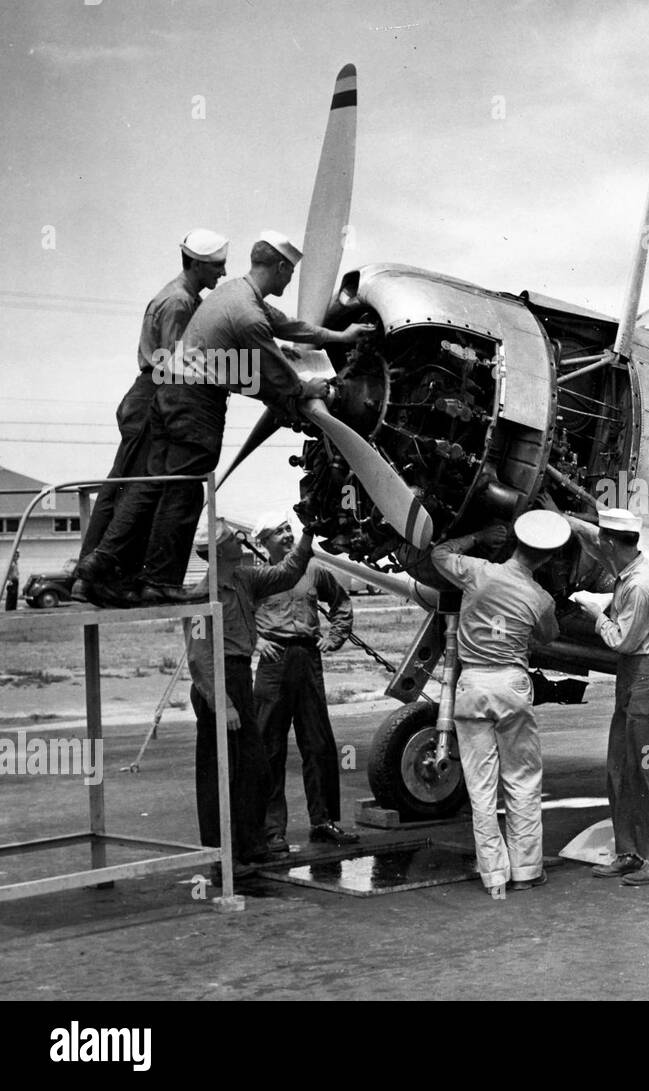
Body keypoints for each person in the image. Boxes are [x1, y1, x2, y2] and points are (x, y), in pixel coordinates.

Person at [119, 231, 374, 605]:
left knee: (155, 487)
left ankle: (109, 570)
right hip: (192, 402)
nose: (291, 281)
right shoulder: (248, 314)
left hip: (172, 395)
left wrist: (340, 335)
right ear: (281, 267)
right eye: (290, 274)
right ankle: (158, 580)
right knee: (183, 493)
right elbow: (277, 374)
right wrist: (308, 390)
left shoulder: (235, 294)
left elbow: (290, 327)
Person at [73, 230, 229, 607]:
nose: (222, 273)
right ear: (195, 264)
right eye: (216, 265)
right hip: (156, 394)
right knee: (137, 488)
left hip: (151, 392)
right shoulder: (179, 302)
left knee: (129, 486)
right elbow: (180, 364)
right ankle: (94, 574)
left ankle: (95, 575)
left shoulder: (181, 296)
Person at [430, 511, 571, 898]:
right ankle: (526, 870)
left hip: (472, 683)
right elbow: (549, 635)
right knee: (522, 781)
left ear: (516, 544)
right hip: (511, 683)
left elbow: (440, 554)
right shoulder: (539, 598)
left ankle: (494, 877)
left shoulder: (478, 572)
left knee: (480, 787)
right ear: (546, 557)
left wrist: (479, 534)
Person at [185, 517, 314, 877]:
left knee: (253, 770)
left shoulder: (244, 579)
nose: (238, 541)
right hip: (218, 683)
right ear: (217, 552)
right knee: (219, 775)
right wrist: (221, 702)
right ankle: (222, 858)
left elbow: (286, 574)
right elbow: (199, 657)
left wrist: (309, 533)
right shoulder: (201, 596)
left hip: (240, 676)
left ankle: (252, 848)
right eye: (230, 539)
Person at [570, 508, 649, 886]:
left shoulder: (638, 586)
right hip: (633, 677)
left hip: (647, 676)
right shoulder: (627, 564)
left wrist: (595, 612)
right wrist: (560, 520)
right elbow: (596, 543)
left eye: (603, 540)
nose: (599, 545)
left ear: (613, 543)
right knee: (621, 766)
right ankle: (629, 851)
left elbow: (622, 640)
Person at [251, 512, 358, 852]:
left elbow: (340, 601)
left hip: (308, 658)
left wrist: (336, 636)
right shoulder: (257, 577)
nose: (286, 535)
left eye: (287, 529)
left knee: (319, 744)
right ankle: (271, 830)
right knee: (269, 747)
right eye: (277, 532)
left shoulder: (313, 570)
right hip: (273, 662)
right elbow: (234, 615)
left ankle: (323, 821)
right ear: (262, 542)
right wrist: (257, 641)